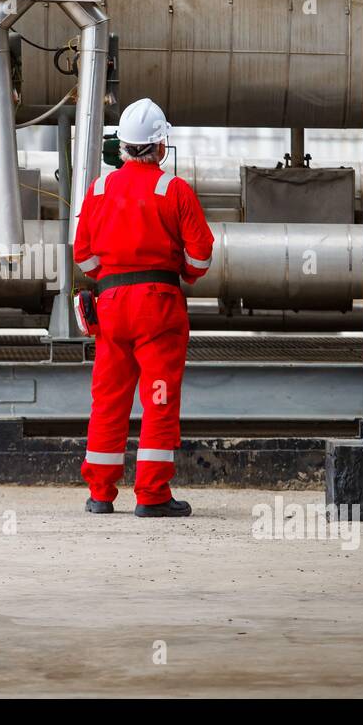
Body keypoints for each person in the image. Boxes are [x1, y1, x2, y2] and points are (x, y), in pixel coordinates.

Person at [73, 98, 215, 517]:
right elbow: (201, 256)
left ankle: (100, 494)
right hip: (158, 308)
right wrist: (181, 273)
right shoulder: (174, 189)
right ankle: (151, 496)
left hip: (111, 307)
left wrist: (113, 277)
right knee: (158, 397)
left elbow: (82, 256)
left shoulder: (98, 189)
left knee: (109, 398)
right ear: (159, 146)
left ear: (122, 146)